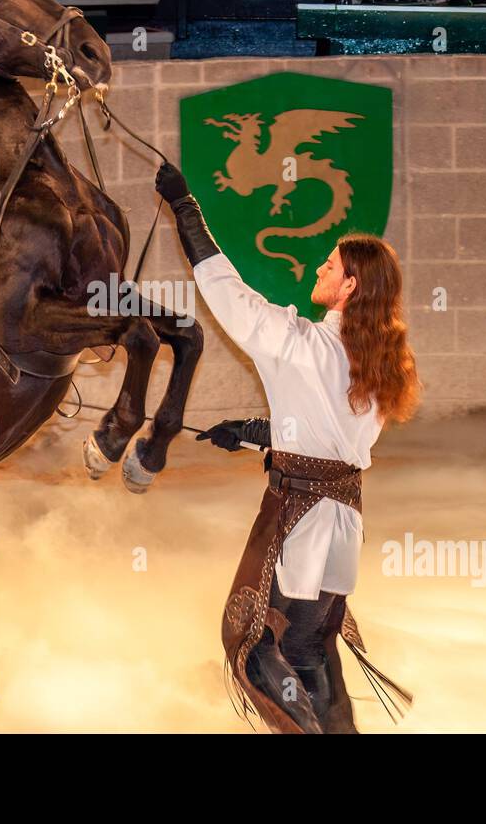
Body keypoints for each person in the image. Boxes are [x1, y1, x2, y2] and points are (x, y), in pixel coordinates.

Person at [153, 162, 421, 734]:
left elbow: (229, 295)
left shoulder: (301, 344)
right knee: (307, 648)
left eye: (331, 266)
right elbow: (329, 437)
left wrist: (185, 209)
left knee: (254, 647)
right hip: (343, 522)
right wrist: (254, 433)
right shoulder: (379, 362)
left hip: (301, 523)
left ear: (350, 287)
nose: (319, 269)